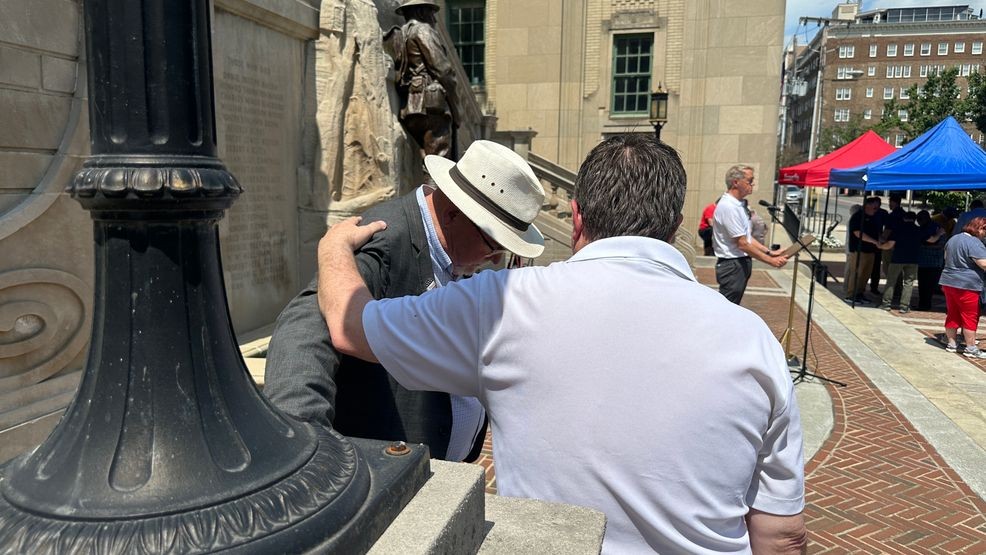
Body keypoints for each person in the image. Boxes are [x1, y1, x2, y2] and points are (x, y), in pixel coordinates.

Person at [318, 135, 807, 553]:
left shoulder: (503, 304)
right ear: (675, 223)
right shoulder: (754, 340)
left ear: (575, 215)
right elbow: (780, 535)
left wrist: (334, 249)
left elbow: (351, 327)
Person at [263, 140, 544, 462]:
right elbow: (304, 325)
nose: (495, 261)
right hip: (392, 473)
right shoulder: (384, 239)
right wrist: (306, 446)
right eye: (493, 246)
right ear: (453, 214)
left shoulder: (454, 245)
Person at [391, 0, 460, 158]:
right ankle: (433, 184)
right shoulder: (423, 30)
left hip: (411, 108)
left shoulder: (401, 33)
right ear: (422, 13)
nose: (435, 20)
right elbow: (443, 70)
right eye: (431, 13)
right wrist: (457, 110)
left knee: (426, 157)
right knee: (439, 159)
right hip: (430, 107)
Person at [712, 165, 788, 304]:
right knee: (727, 309)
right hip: (732, 265)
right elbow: (742, 244)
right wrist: (770, 261)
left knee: (733, 306)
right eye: (749, 180)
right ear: (736, 182)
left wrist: (770, 253)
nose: (752, 185)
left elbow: (746, 237)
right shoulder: (729, 207)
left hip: (739, 263)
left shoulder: (739, 205)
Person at [877, 211, 944, 313]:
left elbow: (890, 245)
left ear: (904, 218)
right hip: (913, 260)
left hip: (897, 259)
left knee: (891, 281)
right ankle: (904, 306)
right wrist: (939, 233)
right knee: (908, 283)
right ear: (914, 220)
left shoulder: (898, 229)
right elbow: (933, 240)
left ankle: (886, 304)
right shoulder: (919, 230)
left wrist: (880, 246)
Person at [939, 216, 986, 357]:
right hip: (967, 285)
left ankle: (951, 344)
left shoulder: (953, 239)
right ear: (979, 228)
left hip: (948, 281)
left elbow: (946, 257)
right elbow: (984, 264)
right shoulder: (974, 243)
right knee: (970, 316)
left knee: (952, 314)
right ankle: (971, 348)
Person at [845, 197, 882, 303]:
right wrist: (875, 242)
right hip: (859, 250)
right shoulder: (858, 217)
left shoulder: (873, 218)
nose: (876, 209)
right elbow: (858, 233)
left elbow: (876, 233)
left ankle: (860, 293)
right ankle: (851, 295)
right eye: (875, 207)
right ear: (867, 205)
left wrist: (881, 240)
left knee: (865, 274)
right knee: (857, 273)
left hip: (871, 251)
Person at [916, 210, 946, 311]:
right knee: (925, 286)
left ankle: (924, 305)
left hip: (931, 262)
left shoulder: (932, 228)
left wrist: (925, 245)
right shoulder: (937, 228)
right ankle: (923, 304)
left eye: (920, 220)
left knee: (926, 286)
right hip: (930, 262)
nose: (919, 222)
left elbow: (939, 244)